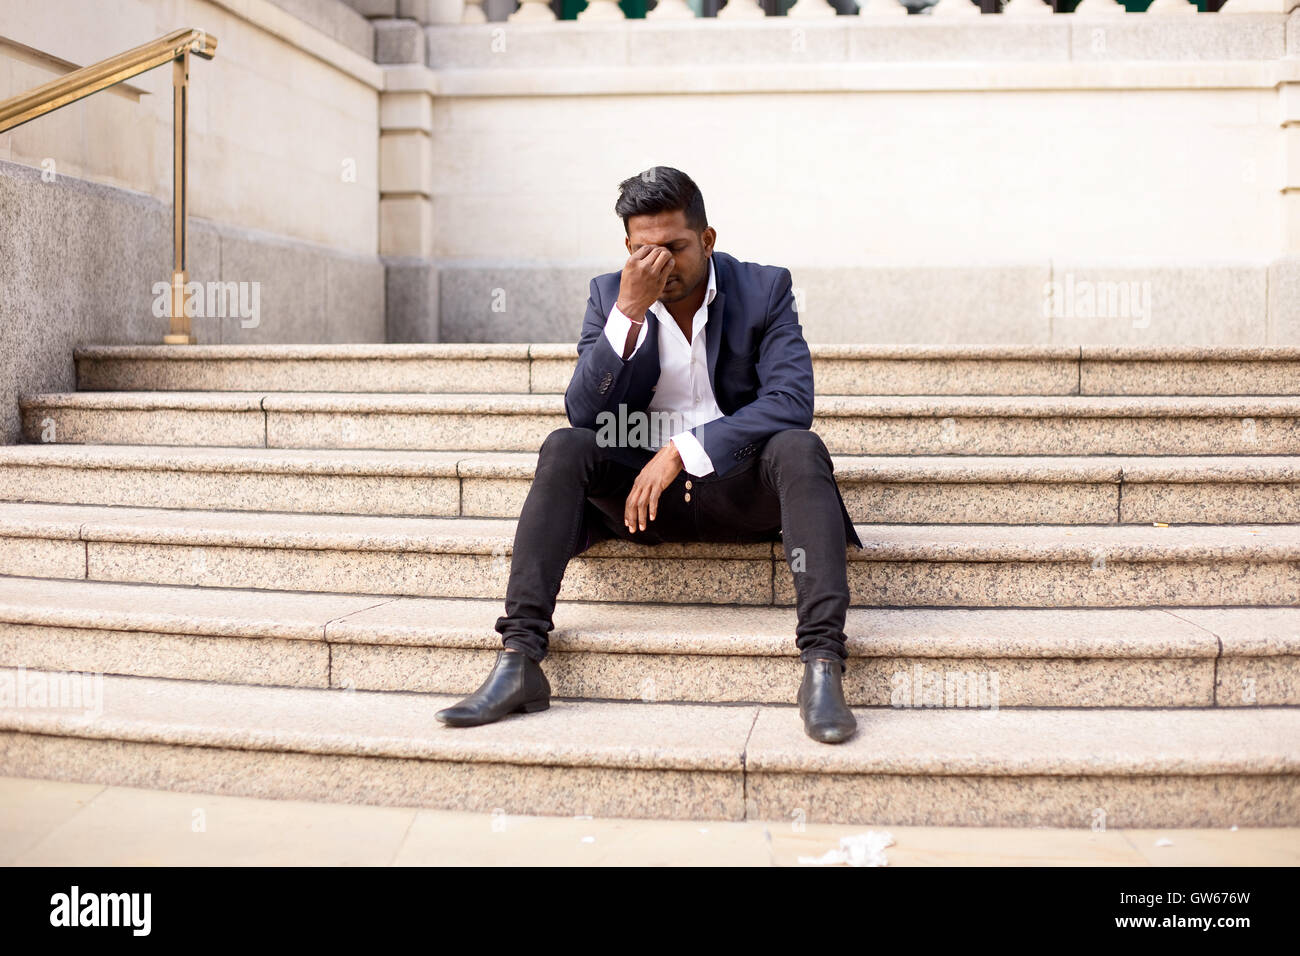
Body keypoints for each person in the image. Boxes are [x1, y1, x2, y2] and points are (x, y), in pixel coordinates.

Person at [435, 166, 864, 743]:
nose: (660, 262)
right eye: (644, 249)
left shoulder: (765, 288)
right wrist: (628, 315)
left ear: (708, 240)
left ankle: (822, 665)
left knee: (799, 447)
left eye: (675, 247)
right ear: (627, 247)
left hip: (738, 489)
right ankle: (519, 661)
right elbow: (585, 414)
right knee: (566, 447)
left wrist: (684, 449)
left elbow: (791, 401)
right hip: (643, 503)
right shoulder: (610, 295)